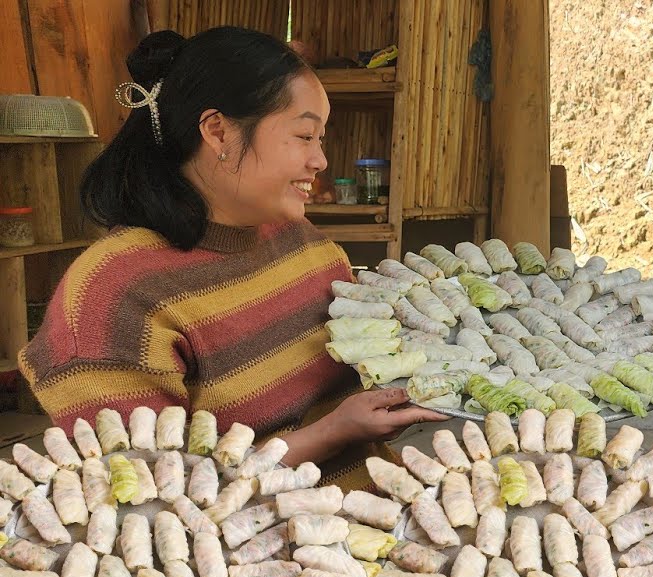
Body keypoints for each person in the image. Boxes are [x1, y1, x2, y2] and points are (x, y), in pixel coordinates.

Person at [19, 27, 443, 480]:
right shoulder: (110, 298)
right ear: (218, 132)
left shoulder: (302, 244)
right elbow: (146, 491)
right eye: (304, 136)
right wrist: (331, 434)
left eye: (321, 138)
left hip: (382, 515)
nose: (320, 160)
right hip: (245, 543)